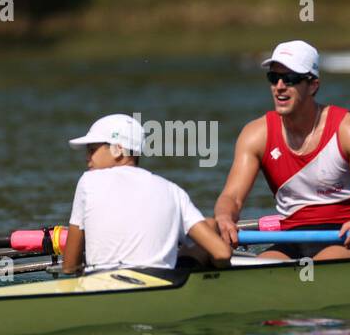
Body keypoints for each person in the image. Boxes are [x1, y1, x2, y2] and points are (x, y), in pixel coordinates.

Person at [214, 40, 350, 260]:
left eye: (290, 79)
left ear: (313, 85)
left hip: (346, 237)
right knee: (260, 268)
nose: (280, 86)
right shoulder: (255, 134)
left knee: (324, 265)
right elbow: (232, 197)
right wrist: (224, 217)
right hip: (291, 238)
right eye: (273, 78)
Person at [62, 114, 231, 274]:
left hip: (101, 286)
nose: (87, 158)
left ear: (118, 150)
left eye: (92, 150)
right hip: (161, 287)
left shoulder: (89, 181)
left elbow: (69, 266)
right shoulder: (173, 190)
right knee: (209, 224)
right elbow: (222, 253)